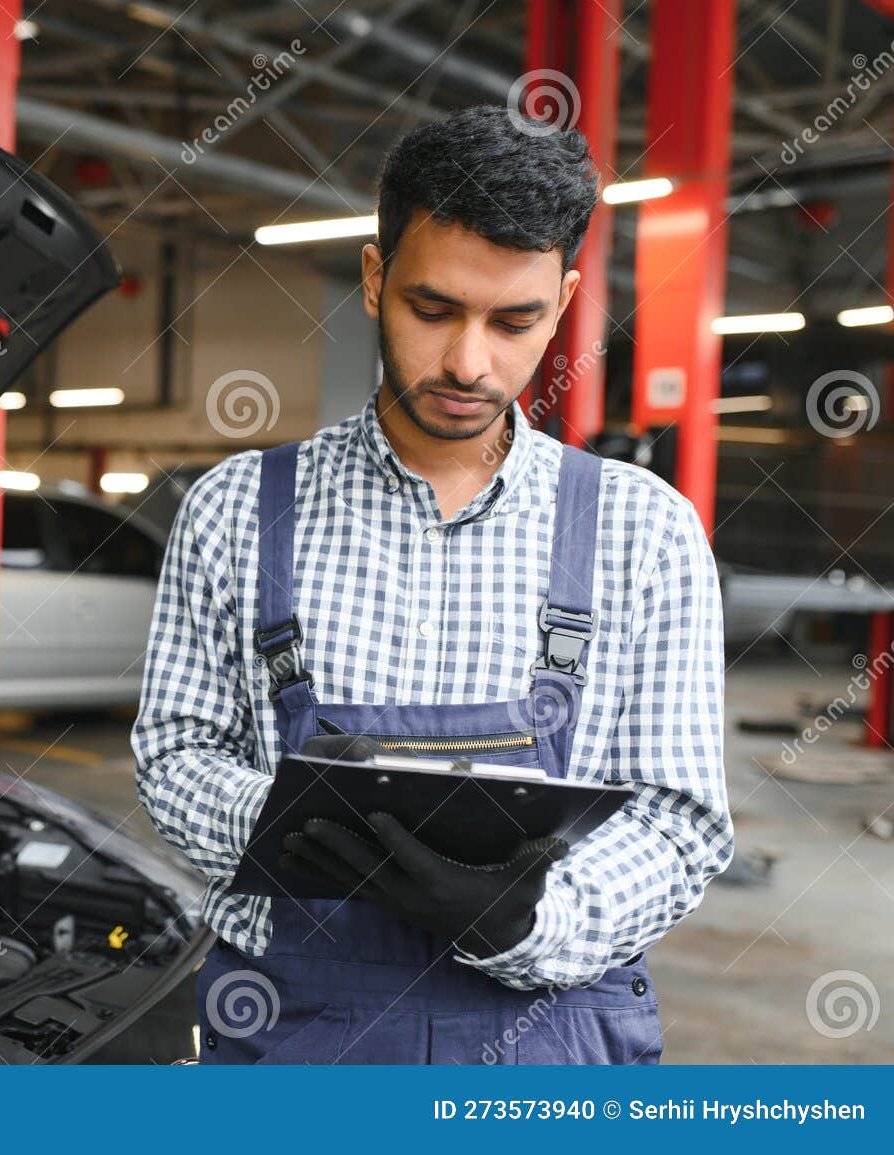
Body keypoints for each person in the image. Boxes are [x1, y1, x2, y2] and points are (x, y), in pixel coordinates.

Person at [131, 105, 731, 1065]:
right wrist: (300, 831)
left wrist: (523, 919)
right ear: (375, 280)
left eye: (515, 320)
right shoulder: (237, 509)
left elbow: (681, 815)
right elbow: (175, 753)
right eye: (434, 308)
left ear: (567, 299)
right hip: (298, 1031)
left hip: (549, 1039)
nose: (468, 361)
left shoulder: (642, 530)